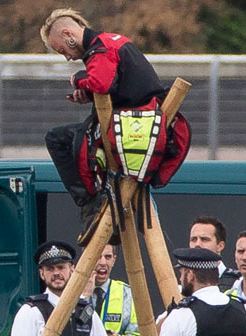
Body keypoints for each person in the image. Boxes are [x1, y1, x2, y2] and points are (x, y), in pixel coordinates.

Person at [41, 8, 166, 240]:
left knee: (57, 139)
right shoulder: (111, 42)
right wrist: (87, 96)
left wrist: (78, 78)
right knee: (69, 135)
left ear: (69, 34)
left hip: (133, 127)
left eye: (62, 50)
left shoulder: (100, 47)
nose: (67, 56)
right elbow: (119, 88)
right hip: (138, 120)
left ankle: (90, 203)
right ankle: (98, 205)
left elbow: (101, 83)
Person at [188, 216, 239, 291]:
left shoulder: (237, 283)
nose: (197, 244)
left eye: (204, 239)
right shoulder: (183, 281)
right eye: (193, 239)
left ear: (220, 246)